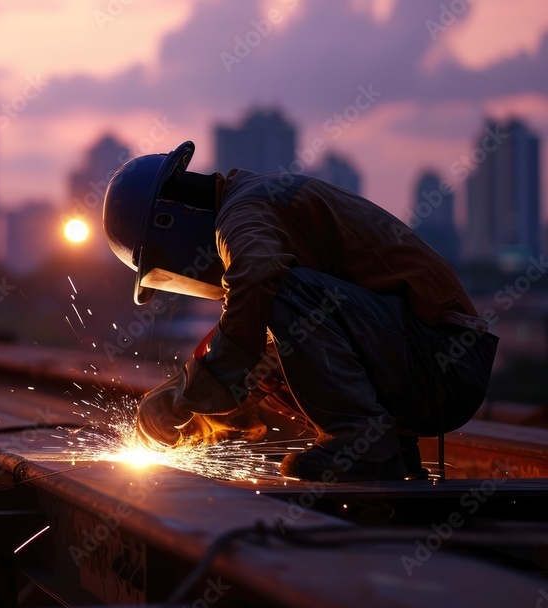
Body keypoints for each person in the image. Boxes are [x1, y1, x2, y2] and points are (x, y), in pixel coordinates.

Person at [102, 141, 497, 482]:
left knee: (276, 289)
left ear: (170, 223)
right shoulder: (255, 203)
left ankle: (361, 447)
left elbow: (256, 284)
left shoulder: (243, 213)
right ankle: (386, 449)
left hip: (445, 366)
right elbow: (254, 357)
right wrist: (186, 418)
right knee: (267, 344)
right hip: (427, 364)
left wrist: (184, 395)